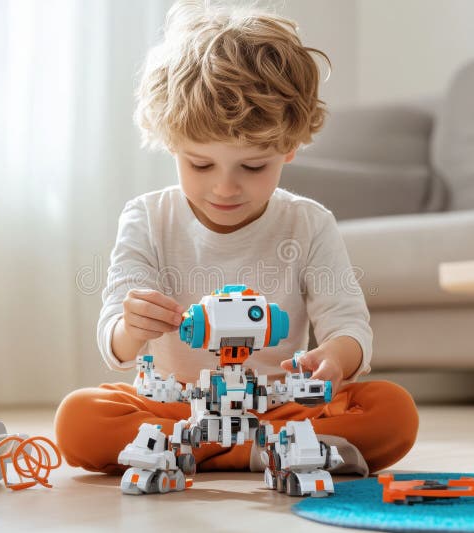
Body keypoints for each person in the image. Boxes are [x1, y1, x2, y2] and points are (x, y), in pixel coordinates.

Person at [55, 0, 418, 477]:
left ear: (290, 148)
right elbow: (116, 344)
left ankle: (200, 455)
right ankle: (260, 455)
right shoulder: (147, 217)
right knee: (80, 419)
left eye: (253, 166)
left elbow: (349, 326)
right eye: (200, 164)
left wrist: (334, 357)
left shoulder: (309, 223)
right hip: (181, 409)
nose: (225, 187)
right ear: (170, 144)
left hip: (279, 407)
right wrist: (132, 327)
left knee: (392, 410)